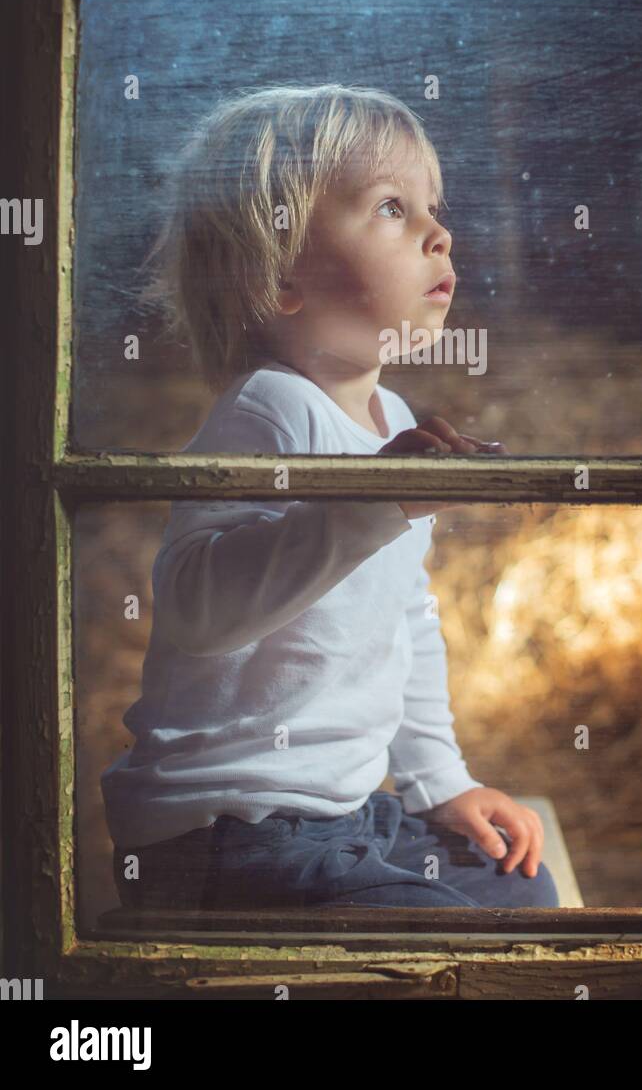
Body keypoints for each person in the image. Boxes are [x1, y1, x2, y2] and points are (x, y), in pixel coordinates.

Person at [101, 83, 558, 912]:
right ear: (280, 277)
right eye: (391, 207)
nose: (439, 232)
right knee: (457, 939)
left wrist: (440, 783)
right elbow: (197, 603)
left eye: (433, 206)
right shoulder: (268, 408)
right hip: (226, 836)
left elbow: (406, 619)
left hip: (340, 818)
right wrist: (370, 504)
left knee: (519, 889)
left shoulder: (394, 419)